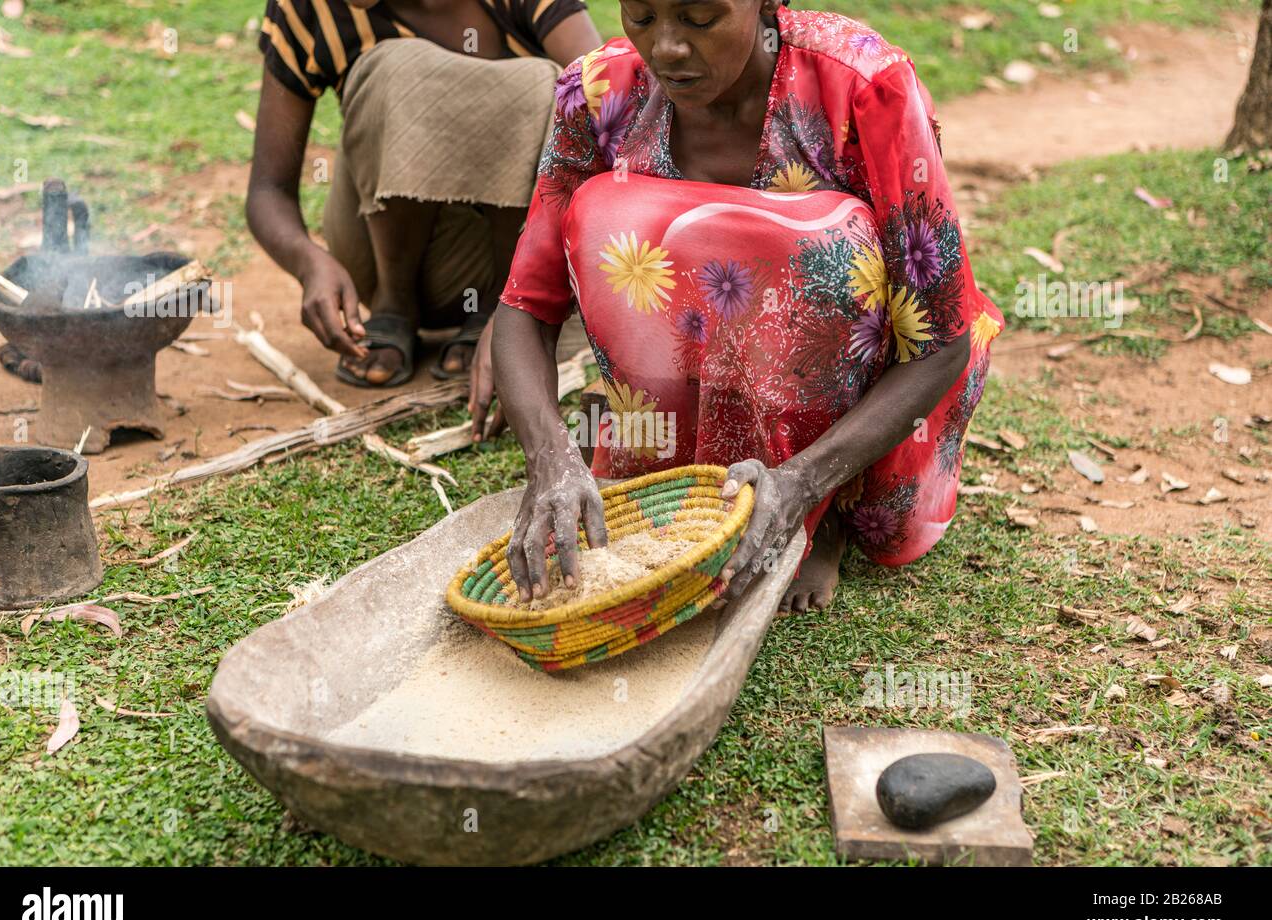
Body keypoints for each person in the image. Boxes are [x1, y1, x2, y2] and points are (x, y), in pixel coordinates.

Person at [485, 0, 1005, 614]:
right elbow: (526, 306)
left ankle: (824, 509)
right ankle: (677, 466)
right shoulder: (597, 92)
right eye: (642, 16)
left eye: (700, 19)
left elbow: (941, 339)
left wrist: (802, 484)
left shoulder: (865, 83)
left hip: (873, 387)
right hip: (700, 373)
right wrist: (550, 459)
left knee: (821, 242)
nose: (668, 48)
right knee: (607, 213)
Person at [246, 0, 600, 401]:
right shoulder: (308, 8)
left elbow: (613, 109)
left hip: (508, 259)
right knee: (396, 66)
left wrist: (526, 302)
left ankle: (498, 312)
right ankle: (394, 307)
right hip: (376, 255)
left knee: (546, 83)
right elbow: (267, 190)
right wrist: (309, 264)